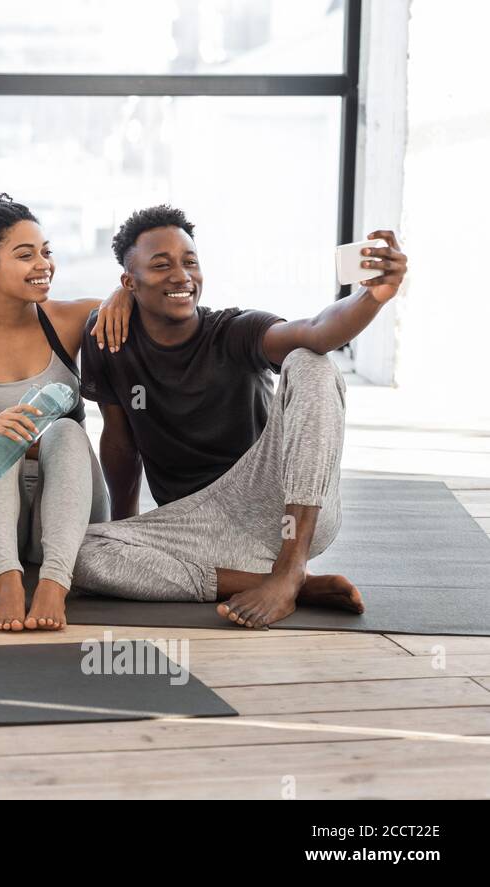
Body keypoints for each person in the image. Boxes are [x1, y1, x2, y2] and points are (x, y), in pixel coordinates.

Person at [74, 204, 409, 629]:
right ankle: (287, 584)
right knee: (80, 553)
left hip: (280, 505)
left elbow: (319, 330)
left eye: (190, 262)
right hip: (196, 523)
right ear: (129, 281)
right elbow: (119, 440)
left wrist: (371, 296)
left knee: (312, 363)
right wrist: (127, 525)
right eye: (161, 265)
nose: (181, 276)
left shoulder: (234, 332)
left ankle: (290, 569)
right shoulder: (107, 337)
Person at [0, 184, 130, 632]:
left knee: (67, 430)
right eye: (26, 255)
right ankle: (8, 581)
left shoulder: (75, 319)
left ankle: (55, 583)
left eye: (45, 251)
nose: (44, 265)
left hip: (72, 520)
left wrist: (122, 294)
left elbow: (138, 303)